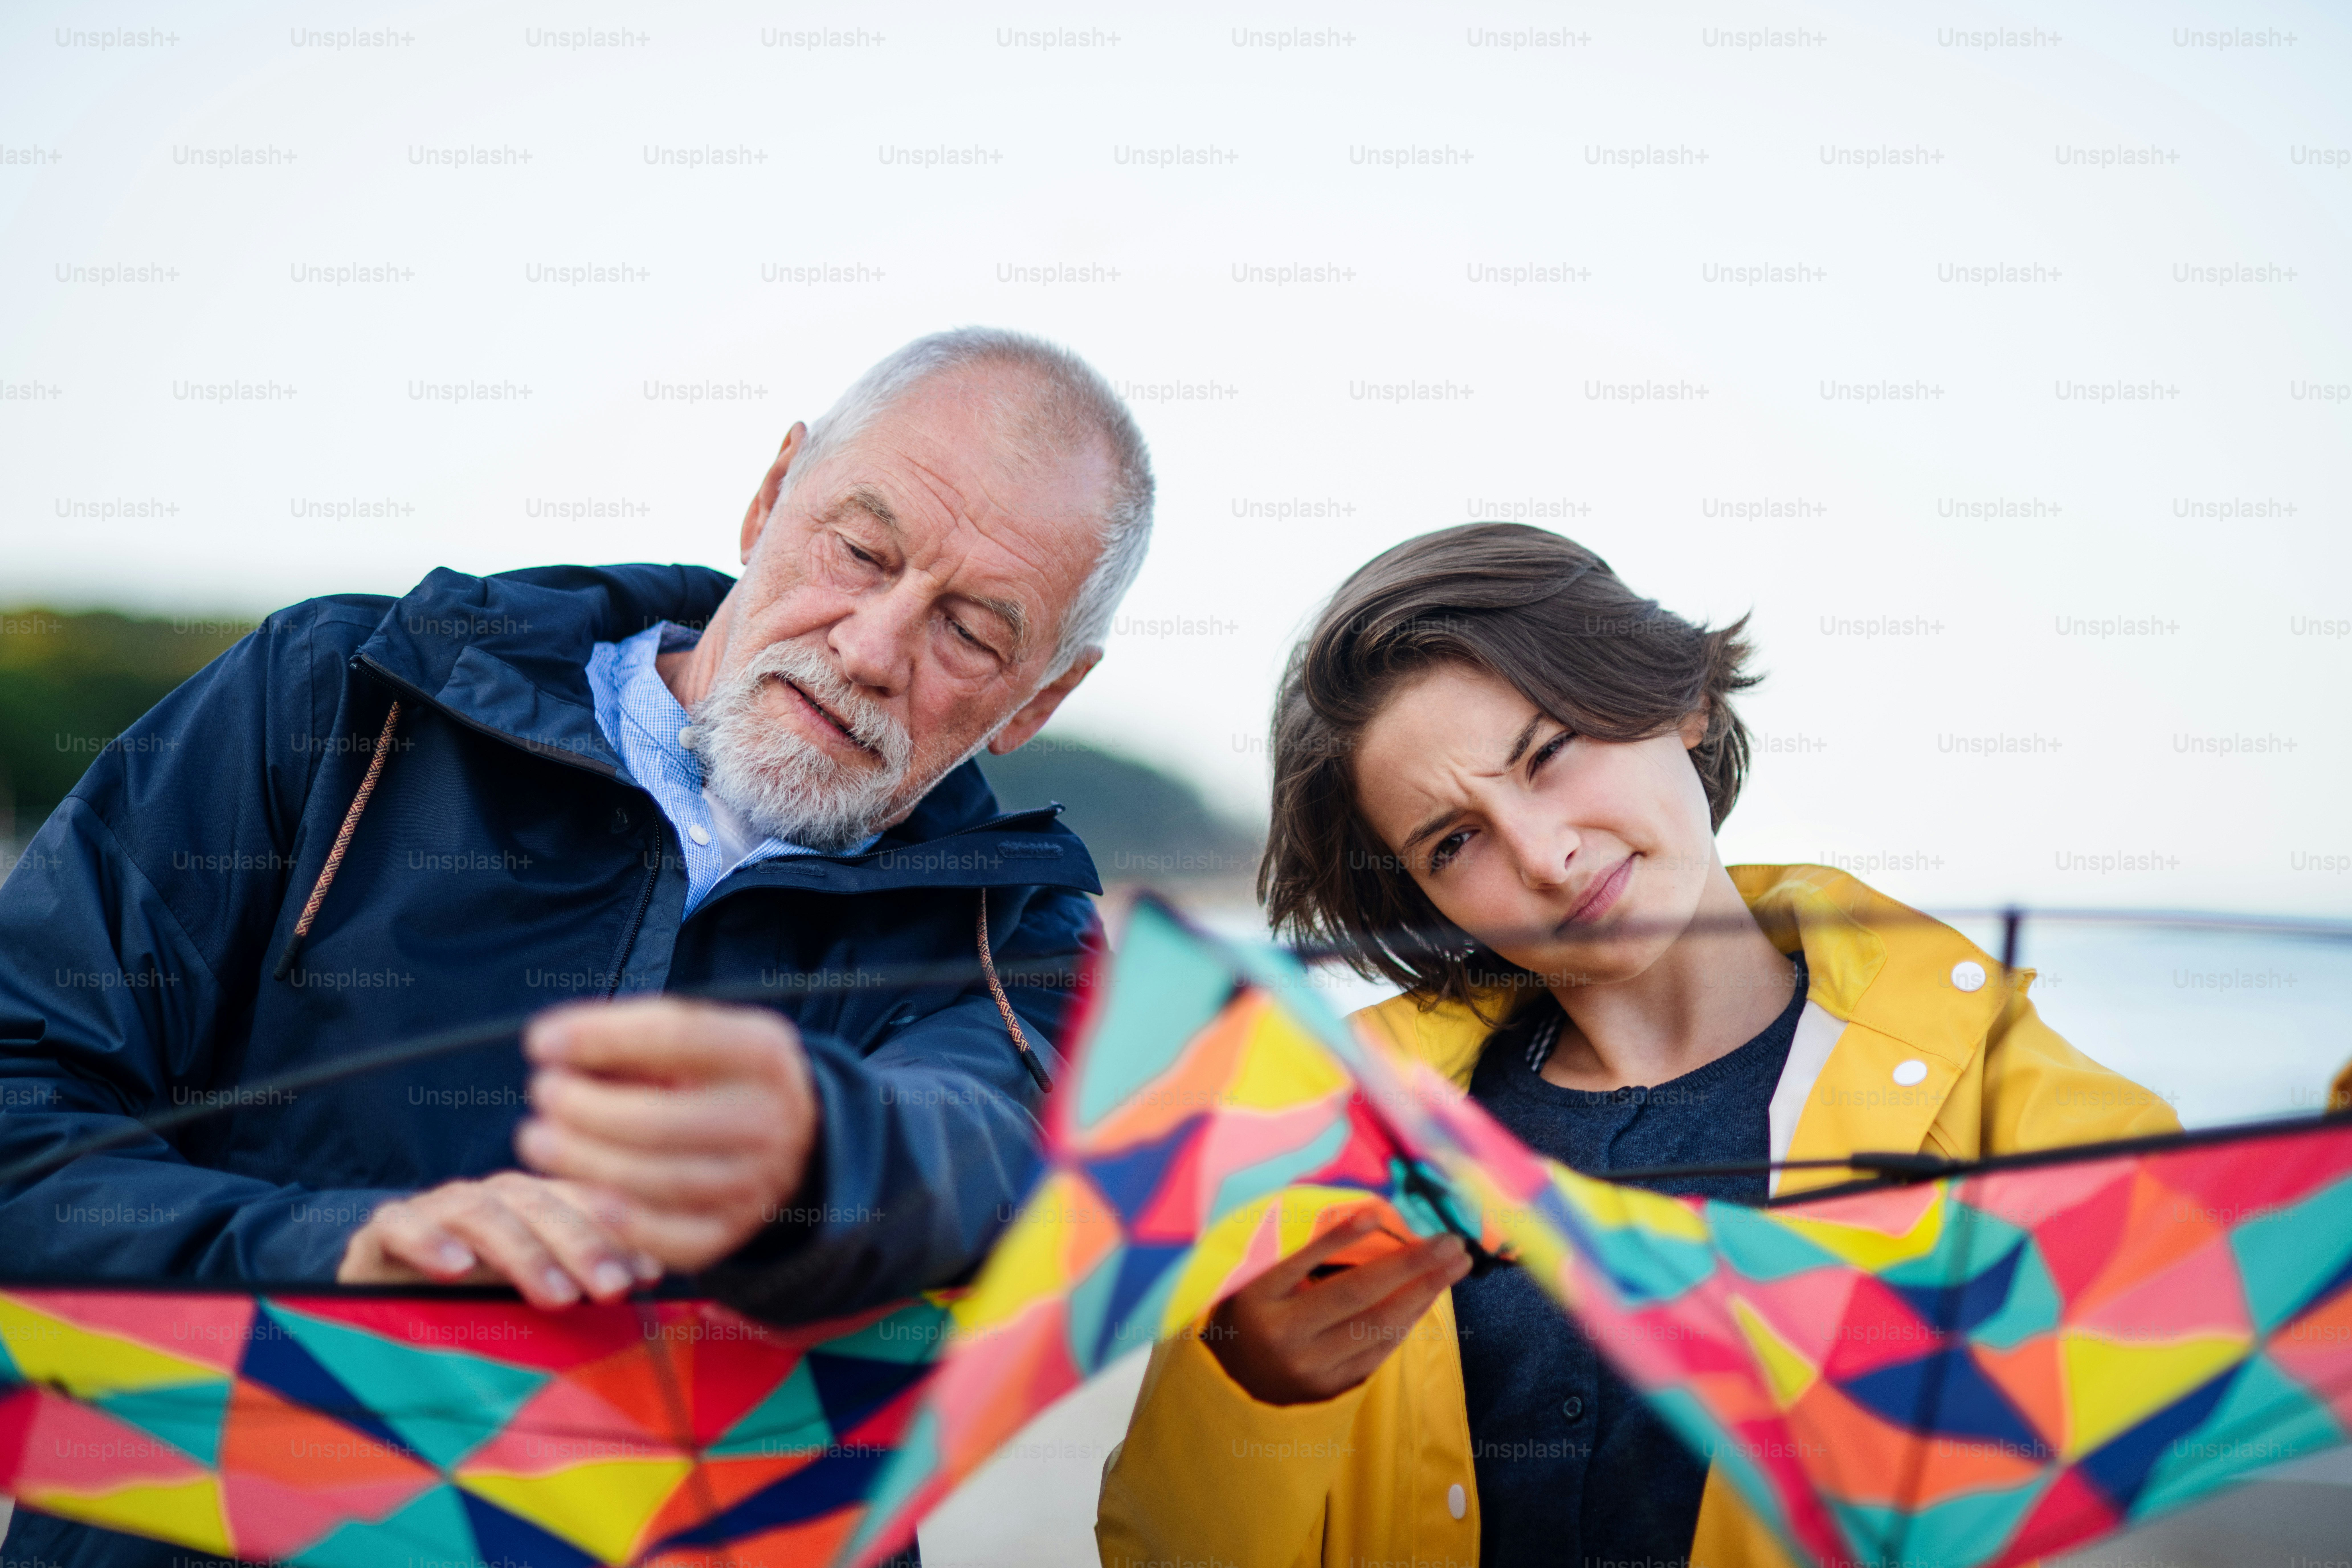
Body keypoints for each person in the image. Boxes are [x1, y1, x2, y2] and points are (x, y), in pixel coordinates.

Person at [0, 328, 1151, 1568]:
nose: (871, 646)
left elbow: (987, 1175)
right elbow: (25, 1092)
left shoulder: (1025, 935)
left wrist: (814, 1142)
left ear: (1039, 700)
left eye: (972, 632)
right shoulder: (336, 694)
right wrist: (336, 1254)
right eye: (862, 550)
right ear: (771, 496)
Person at [1096, 522, 2180, 1568]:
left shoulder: (1974, 1079)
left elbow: (2209, 1285)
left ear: (1686, 700)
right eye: (1454, 841)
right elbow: (1167, 1554)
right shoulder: (1327, 1143)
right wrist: (1245, 1387)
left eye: (1549, 754)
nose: (1547, 855)